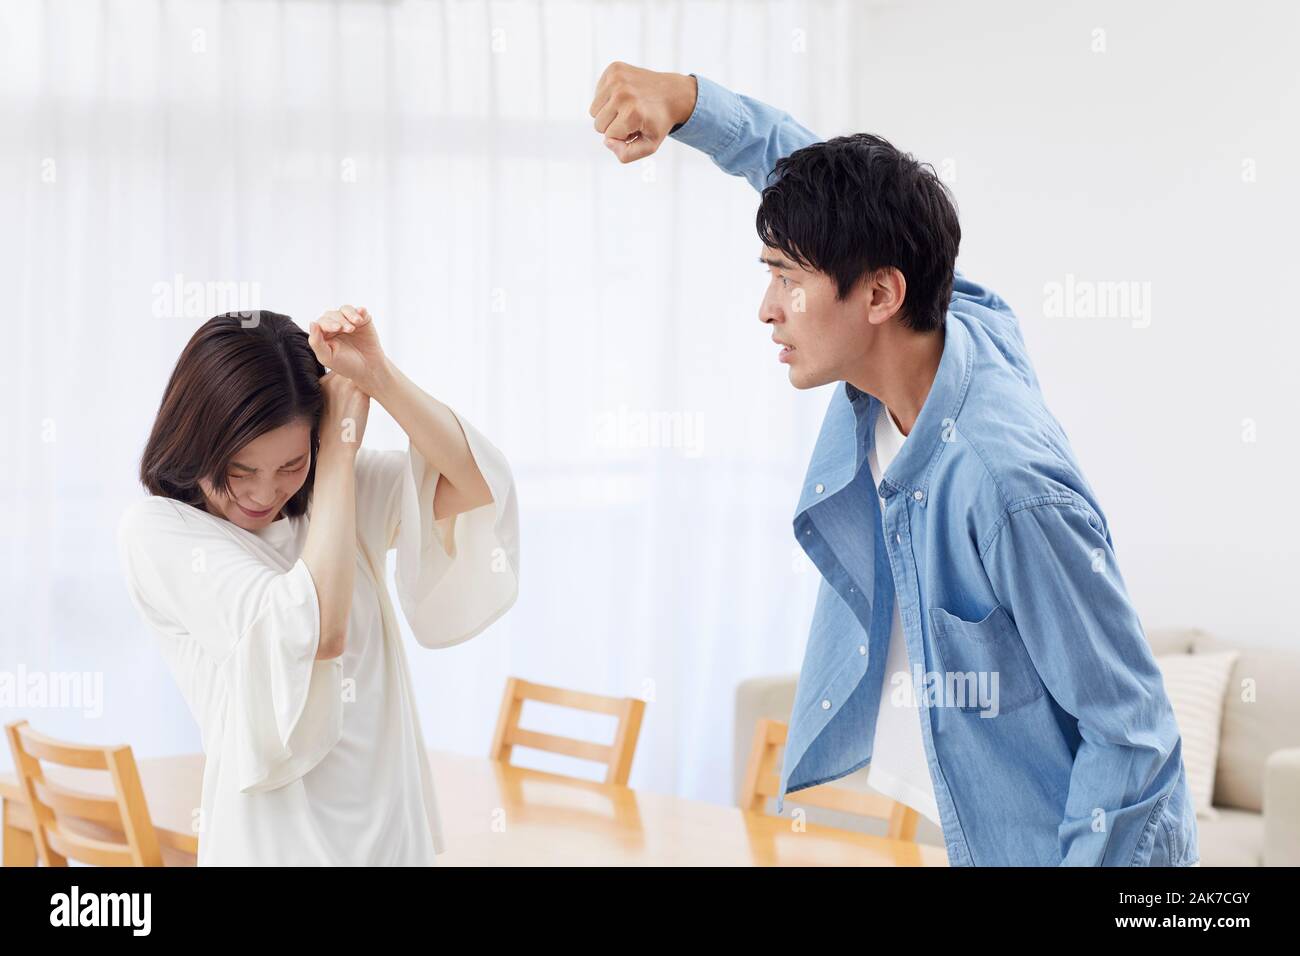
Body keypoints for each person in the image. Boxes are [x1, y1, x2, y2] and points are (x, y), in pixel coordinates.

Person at [588, 63, 1199, 867]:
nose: (766, 309)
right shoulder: (938, 318)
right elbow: (821, 185)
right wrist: (693, 105)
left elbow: (1132, 733)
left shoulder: (1007, 485)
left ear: (878, 296)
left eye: (786, 280)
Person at [116, 306, 519, 865]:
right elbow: (315, 634)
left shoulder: (335, 496)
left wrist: (377, 376)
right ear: (196, 441)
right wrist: (336, 458)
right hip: (276, 847)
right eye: (239, 470)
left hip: (389, 838)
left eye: (290, 464)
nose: (264, 493)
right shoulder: (163, 533)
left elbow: (478, 484)